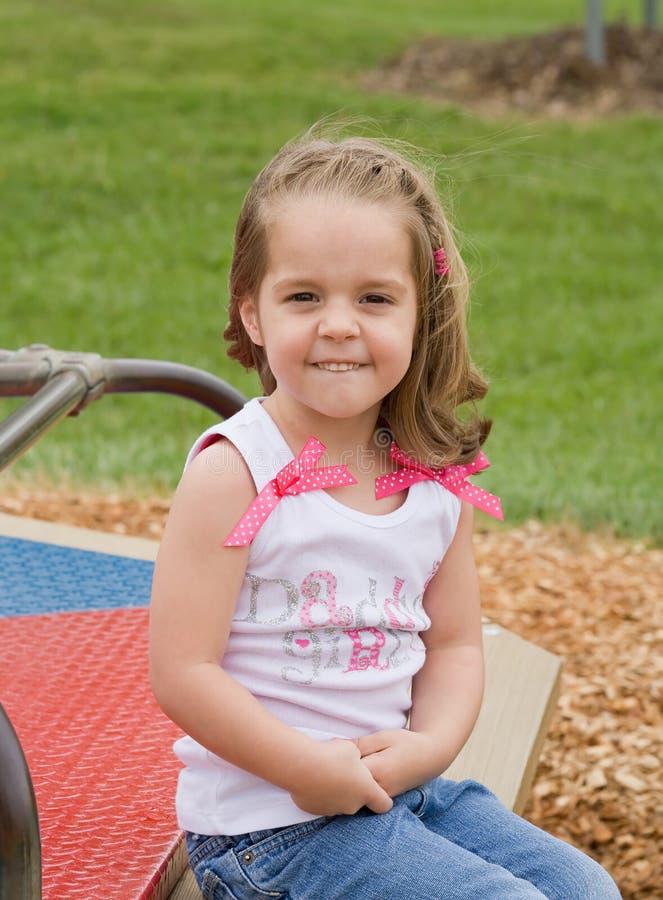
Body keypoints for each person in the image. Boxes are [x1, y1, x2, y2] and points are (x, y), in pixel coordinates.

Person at [149, 132, 620, 899]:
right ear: (254, 314)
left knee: (583, 889)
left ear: (418, 313)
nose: (339, 324)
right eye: (304, 296)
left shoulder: (432, 476)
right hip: (270, 829)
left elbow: (455, 647)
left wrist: (424, 750)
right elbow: (182, 671)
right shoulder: (236, 471)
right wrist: (304, 767)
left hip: (405, 791)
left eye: (372, 297)